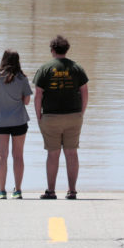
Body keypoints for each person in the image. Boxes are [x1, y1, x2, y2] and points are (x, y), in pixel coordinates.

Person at [32, 35, 88, 200]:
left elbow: (38, 95)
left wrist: (38, 116)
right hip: (74, 115)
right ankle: (72, 191)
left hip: (51, 116)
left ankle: (51, 191)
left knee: (53, 154)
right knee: (72, 153)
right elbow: (85, 92)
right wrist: (81, 113)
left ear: (52, 50)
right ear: (66, 50)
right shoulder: (77, 68)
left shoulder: (45, 68)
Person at [0, 49, 32, 200]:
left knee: (2, 154)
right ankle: (18, 190)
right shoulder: (22, 78)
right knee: (18, 155)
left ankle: (1, 191)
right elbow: (26, 101)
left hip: (0, 121)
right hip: (19, 120)